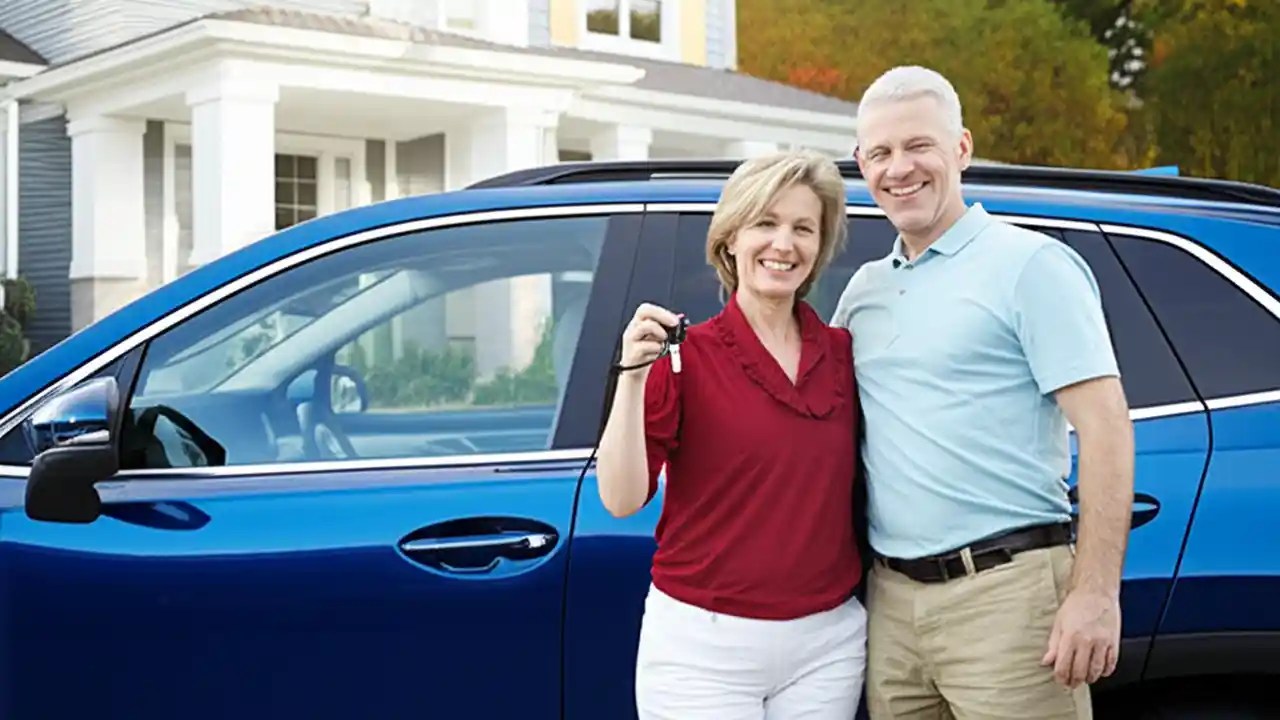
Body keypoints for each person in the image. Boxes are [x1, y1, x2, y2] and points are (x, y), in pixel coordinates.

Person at [831, 65, 1135, 719]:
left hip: (1008, 599)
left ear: (961, 148)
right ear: (861, 163)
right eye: (880, 153)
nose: (899, 168)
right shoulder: (864, 292)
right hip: (892, 608)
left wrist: (1095, 594)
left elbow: (1106, 428)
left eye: (919, 146)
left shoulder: (1030, 266)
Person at [596, 150, 868, 719]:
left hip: (827, 647)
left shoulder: (844, 355)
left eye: (802, 228)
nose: (783, 244)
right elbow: (621, 500)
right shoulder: (685, 358)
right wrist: (630, 377)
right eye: (766, 224)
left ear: (819, 247)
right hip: (704, 648)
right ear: (731, 240)